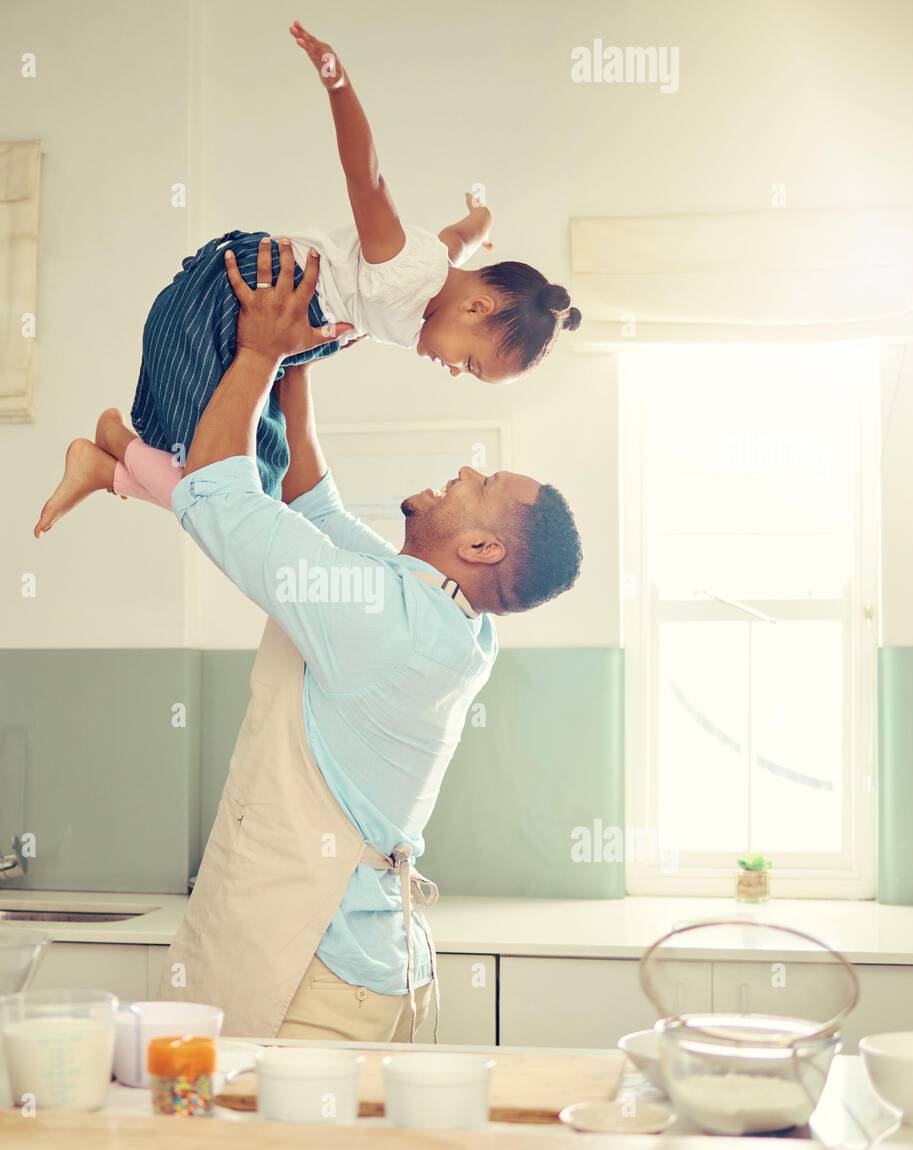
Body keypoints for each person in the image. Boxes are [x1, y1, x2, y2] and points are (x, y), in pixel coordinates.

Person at [151, 237, 583, 1041]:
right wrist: (298, 358)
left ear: (484, 549)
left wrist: (255, 351)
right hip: (372, 967)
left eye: (480, 486)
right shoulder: (441, 618)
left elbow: (216, 493)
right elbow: (310, 502)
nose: (463, 471)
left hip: (314, 975)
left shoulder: (387, 626)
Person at [33, 20, 580, 536]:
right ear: (477, 309)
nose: (456, 371)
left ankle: (103, 466)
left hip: (271, 331)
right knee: (213, 480)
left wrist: (484, 220)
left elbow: (461, 234)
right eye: (472, 363)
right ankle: (112, 451)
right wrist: (337, 85)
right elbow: (365, 179)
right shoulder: (402, 267)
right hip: (238, 298)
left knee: (260, 485)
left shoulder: (440, 271)